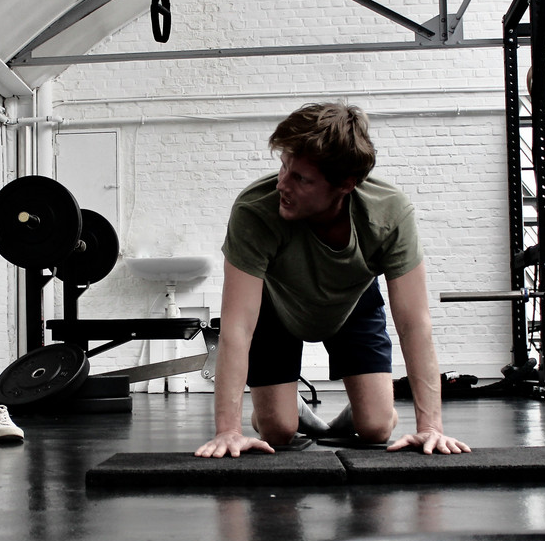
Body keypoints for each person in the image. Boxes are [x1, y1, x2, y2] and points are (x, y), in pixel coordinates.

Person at [195, 102, 469, 458]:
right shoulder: (255, 211)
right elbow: (237, 327)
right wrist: (228, 431)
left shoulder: (388, 214)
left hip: (353, 302)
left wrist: (430, 427)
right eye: (283, 167)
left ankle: (362, 409)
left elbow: (414, 323)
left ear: (345, 185)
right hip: (276, 305)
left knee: (376, 428)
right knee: (278, 430)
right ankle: (287, 409)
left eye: (301, 178)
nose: (282, 184)